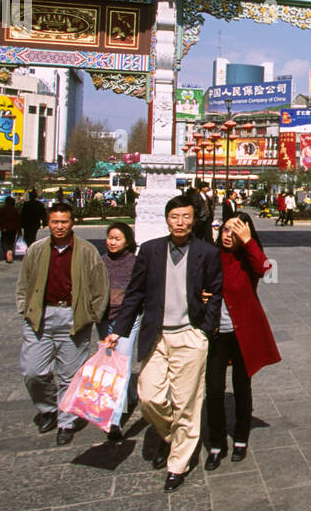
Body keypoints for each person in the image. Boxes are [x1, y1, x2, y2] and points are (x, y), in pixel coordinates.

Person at [105, 196, 222, 490]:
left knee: (186, 402)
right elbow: (135, 293)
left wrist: (204, 329)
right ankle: (172, 435)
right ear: (167, 219)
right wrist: (118, 330)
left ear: (194, 219)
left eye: (185, 217)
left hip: (189, 334)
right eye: (174, 217)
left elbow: (216, 293)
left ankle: (177, 463)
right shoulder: (151, 250)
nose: (180, 222)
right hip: (156, 334)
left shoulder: (207, 252)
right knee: (149, 396)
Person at [17, 200, 109, 444]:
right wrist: (23, 309)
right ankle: (48, 408)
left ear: (72, 223)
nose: (59, 226)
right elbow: (24, 283)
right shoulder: (36, 250)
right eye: (55, 222)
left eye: (64, 222)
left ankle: (66, 421)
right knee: (33, 371)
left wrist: (91, 316)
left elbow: (100, 287)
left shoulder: (86, 251)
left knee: (70, 374)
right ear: (47, 223)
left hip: (72, 317)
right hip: (40, 317)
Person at [205, 212, 280, 469]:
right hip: (216, 333)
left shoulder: (248, 257)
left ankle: (240, 438)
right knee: (213, 391)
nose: (228, 236)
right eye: (226, 230)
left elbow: (266, 270)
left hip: (242, 332)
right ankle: (216, 444)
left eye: (235, 231)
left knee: (241, 386)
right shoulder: (211, 255)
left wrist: (248, 242)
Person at [97, 220, 140, 441]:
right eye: (110, 238)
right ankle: (131, 394)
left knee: (121, 366)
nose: (112, 242)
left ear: (127, 241)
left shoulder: (135, 262)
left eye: (117, 238)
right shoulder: (100, 261)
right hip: (105, 320)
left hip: (128, 320)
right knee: (108, 364)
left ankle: (113, 420)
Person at [0, 194, 21, 263]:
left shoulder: (2, 210)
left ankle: (7, 251)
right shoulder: (15, 211)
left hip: (4, 228)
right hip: (13, 228)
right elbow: (18, 221)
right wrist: (19, 231)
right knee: (11, 241)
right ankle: (10, 250)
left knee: (4, 241)